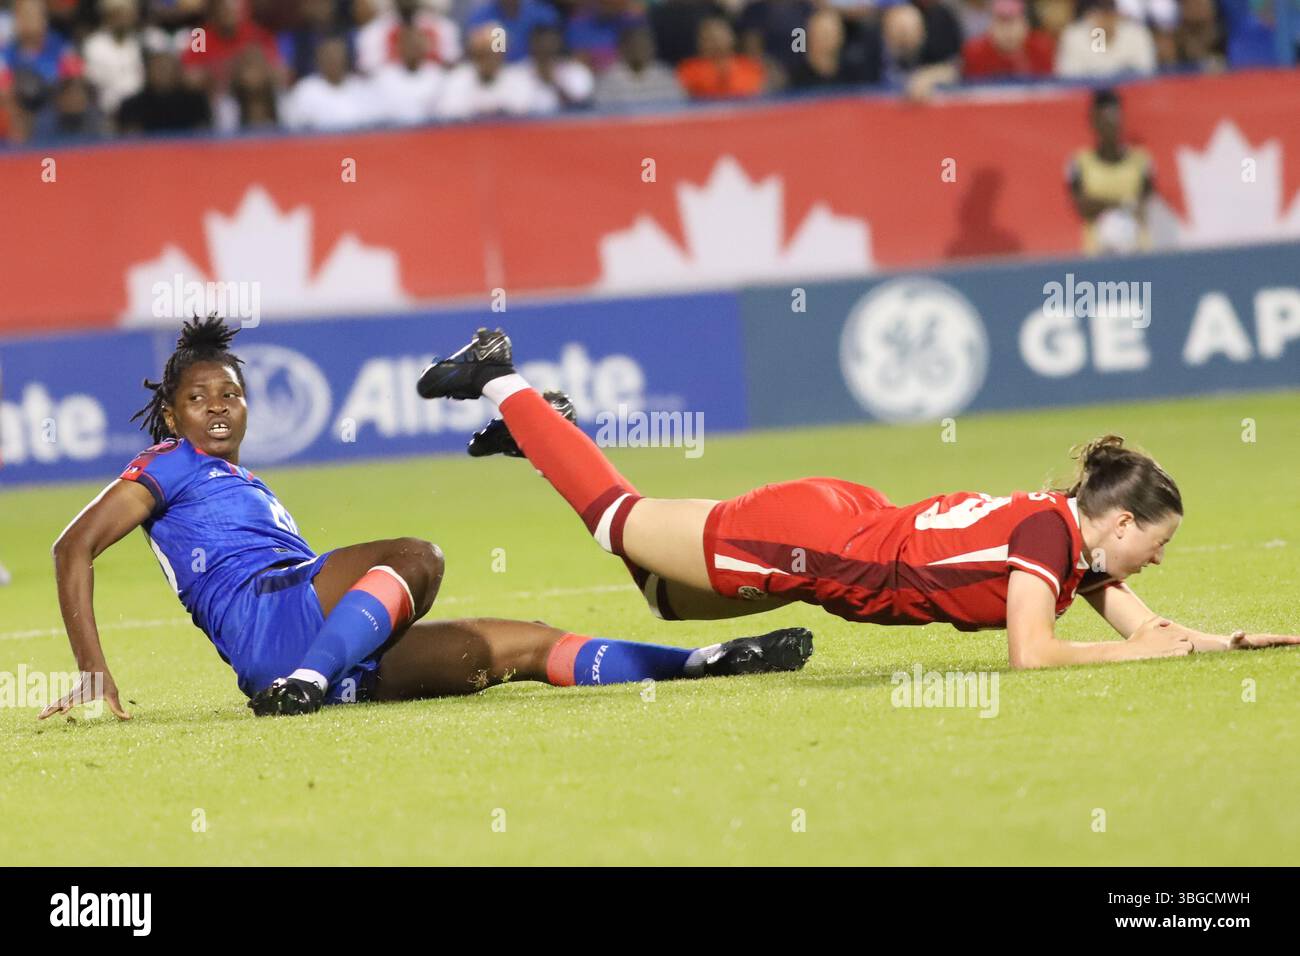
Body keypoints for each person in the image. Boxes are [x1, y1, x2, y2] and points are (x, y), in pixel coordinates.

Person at [42, 318, 811, 721]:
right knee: (419, 557)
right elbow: (71, 547)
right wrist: (93, 676)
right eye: (199, 397)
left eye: (230, 394)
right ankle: (311, 681)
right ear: (171, 413)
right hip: (274, 625)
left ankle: (708, 660)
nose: (217, 406)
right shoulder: (165, 465)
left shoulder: (242, 480)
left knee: (519, 649)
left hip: (317, 651)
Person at [416, 328, 1300, 670]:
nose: (1158, 558)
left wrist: (1230, 643)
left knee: (661, 595)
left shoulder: (1073, 542)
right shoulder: (1047, 536)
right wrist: (1147, 659)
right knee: (620, 524)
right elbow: (1031, 655)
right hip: (818, 540)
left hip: (837, 528)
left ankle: (540, 429)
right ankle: (505, 382)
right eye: (1158, 542)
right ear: (1119, 521)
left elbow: (1146, 629)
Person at [1066, 87, 1154, 255]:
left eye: (1115, 116)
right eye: (1105, 118)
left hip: (1138, 253)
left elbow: (1143, 207)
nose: (1110, 124)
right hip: (1097, 255)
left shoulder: (1141, 161)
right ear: (1094, 121)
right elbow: (1083, 207)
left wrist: (1102, 204)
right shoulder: (1079, 163)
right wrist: (1123, 204)